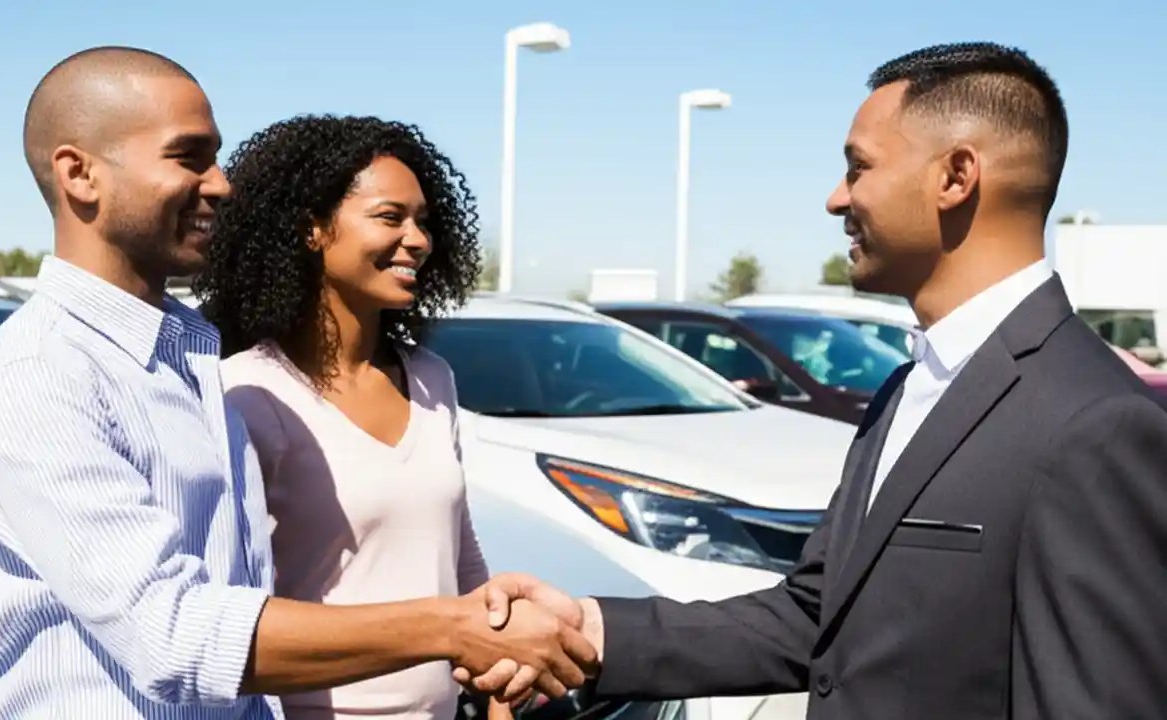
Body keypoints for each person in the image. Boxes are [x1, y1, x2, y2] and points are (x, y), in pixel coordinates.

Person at [461, 42, 1167, 719]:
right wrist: (587, 627)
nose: (836, 199)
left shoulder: (1097, 423)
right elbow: (815, 620)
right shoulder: (906, 387)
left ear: (956, 176)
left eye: (857, 168)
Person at [0, 46, 595, 719]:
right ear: (80, 175)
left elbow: (246, 597)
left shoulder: (183, 359)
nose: (220, 184)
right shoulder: (39, 378)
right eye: (188, 157)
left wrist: (476, 642)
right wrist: (453, 628)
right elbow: (176, 637)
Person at [192, 114, 510, 720]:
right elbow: (228, 610)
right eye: (390, 218)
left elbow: (459, 550)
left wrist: (493, 688)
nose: (416, 239)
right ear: (312, 229)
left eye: (423, 221)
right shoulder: (248, 394)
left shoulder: (433, 379)